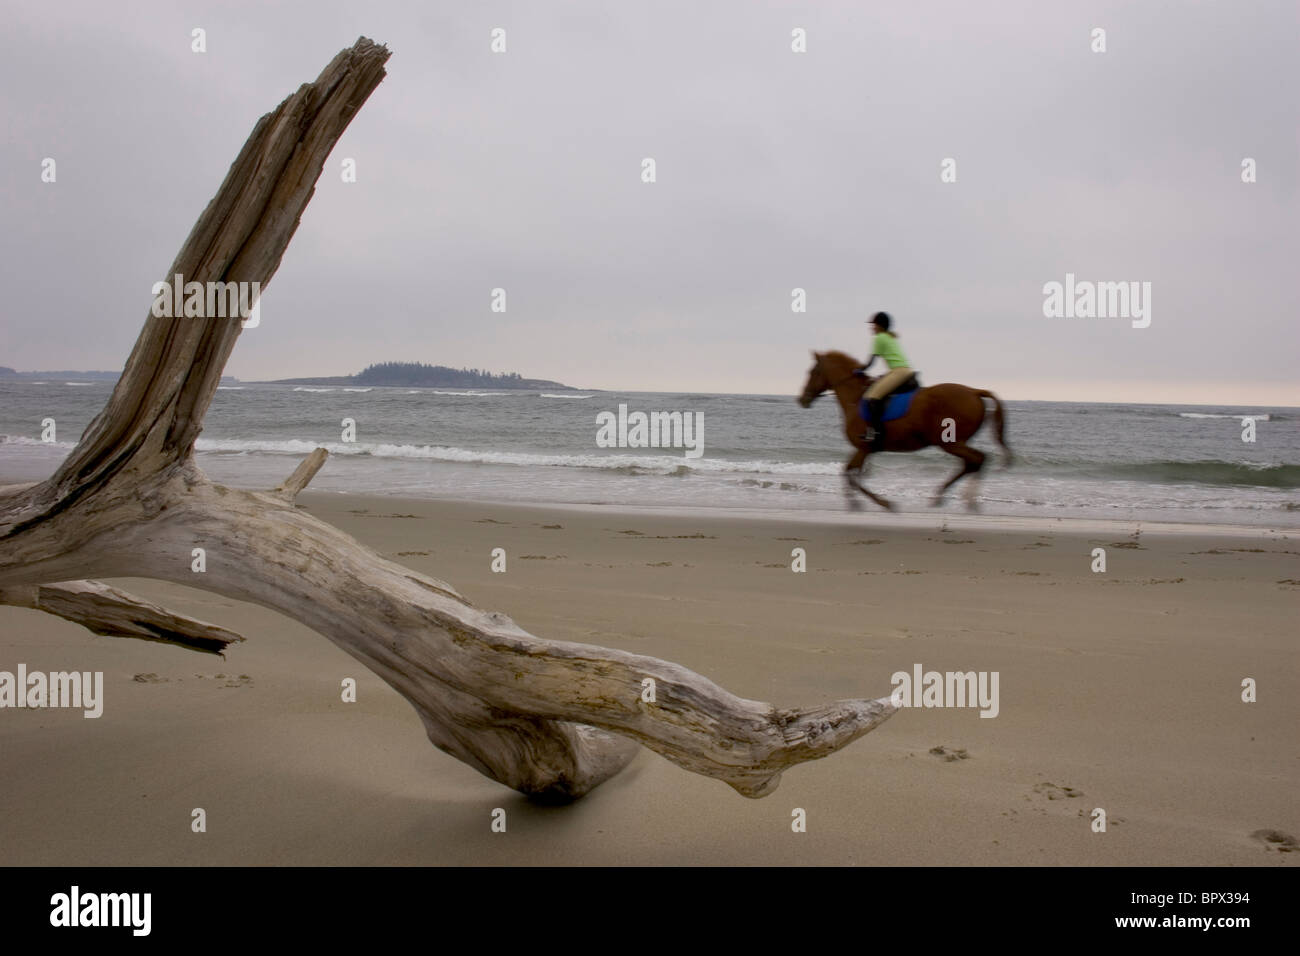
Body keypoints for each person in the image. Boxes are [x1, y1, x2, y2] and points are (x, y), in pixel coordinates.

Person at [854, 312, 914, 448]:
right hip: (901, 370)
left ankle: (876, 433)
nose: (872, 328)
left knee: (871, 397)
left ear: (879, 326)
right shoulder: (889, 337)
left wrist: (860, 370)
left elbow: (870, 363)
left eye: (873, 325)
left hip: (899, 371)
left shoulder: (879, 338)